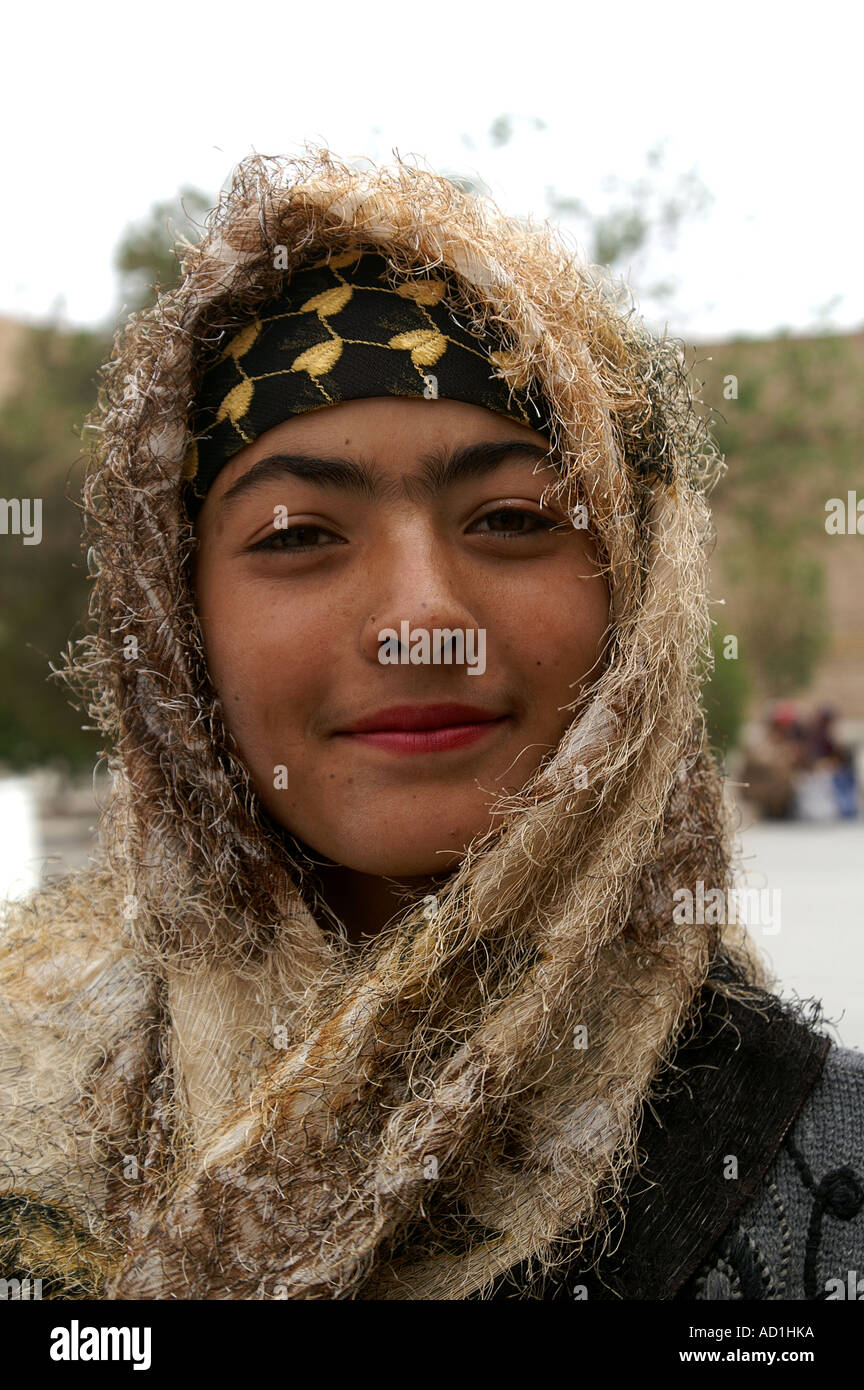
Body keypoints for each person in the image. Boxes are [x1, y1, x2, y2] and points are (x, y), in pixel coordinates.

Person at [1, 146, 862, 1302]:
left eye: (511, 518)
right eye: (298, 534)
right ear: (175, 628)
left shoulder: (827, 1179)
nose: (421, 624)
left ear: (638, 597)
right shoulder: (30, 1118)